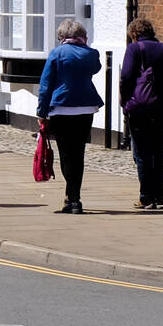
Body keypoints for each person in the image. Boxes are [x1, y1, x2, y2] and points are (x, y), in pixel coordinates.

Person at [120, 18, 163, 209]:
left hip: (141, 110)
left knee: (141, 153)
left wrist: (126, 101)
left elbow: (126, 76)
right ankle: (160, 194)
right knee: (157, 150)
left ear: (134, 34)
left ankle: (146, 197)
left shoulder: (135, 49)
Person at [36, 20, 104, 214]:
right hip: (86, 107)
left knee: (66, 154)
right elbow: (96, 68)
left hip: (62, 108)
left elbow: (46, 85)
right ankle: (73, 197)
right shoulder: (91, 54)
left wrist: (42, 112)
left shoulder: (57, 53)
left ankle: (72, 199)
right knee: (78, 153)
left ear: (61, 37)